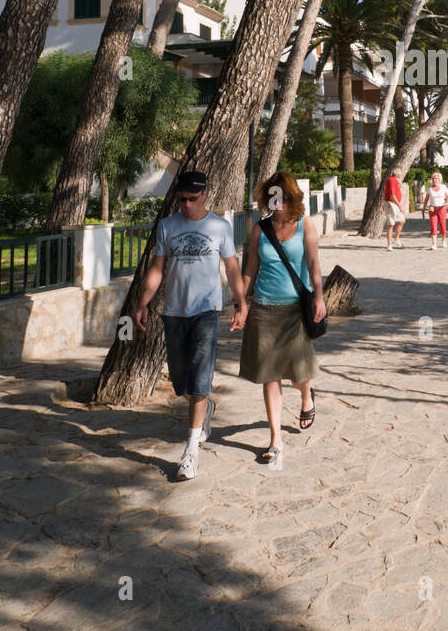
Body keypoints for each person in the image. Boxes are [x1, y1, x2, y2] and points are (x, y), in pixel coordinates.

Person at [134, 171, 247, 482]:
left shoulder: (219, 227)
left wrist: (241, 304)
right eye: (181, 199)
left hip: (207, 312)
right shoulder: (168, 226)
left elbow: (232, 269)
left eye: (191, 199)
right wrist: (143, 302)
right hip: (174, 312)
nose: (185, 204)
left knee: (199, 384)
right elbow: (157, 268)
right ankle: (204, 409)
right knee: (183, 385)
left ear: (204, 195)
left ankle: (190, 452)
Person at [239, 172, 326, 466]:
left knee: (298, 373)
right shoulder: (260, 229)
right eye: (274, 196)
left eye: (284, 196)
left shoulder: (305, 224)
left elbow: (314, 263)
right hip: (264, 308)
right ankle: (276, 439)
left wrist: (319, 296)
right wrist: (241, 302)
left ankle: (306, 396)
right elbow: (250, 269)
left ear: (293, 198)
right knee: (270, 374)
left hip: (294, 310)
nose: (279, 202)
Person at [422, 170, 448, 250]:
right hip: (432, 209)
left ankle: (443, 240)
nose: (434, 180)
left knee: (442, 226)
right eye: (433, 178)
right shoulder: (429, 188)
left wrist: (447, 202)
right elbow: (426, 199)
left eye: (436, 178)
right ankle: (434, 244)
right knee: (433, 226)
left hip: (441, 208)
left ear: (440, 179)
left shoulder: (443, 187)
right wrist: (423, 208)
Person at [382, 167, 406, 249]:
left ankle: (396, 239)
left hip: (395, 204)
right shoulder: (392, 180)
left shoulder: (394, 181)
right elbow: (392, 195)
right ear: (399, 175)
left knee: (401, 220)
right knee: (391, 224)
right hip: (391, 204)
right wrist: (400, 206)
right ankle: (389, 245)